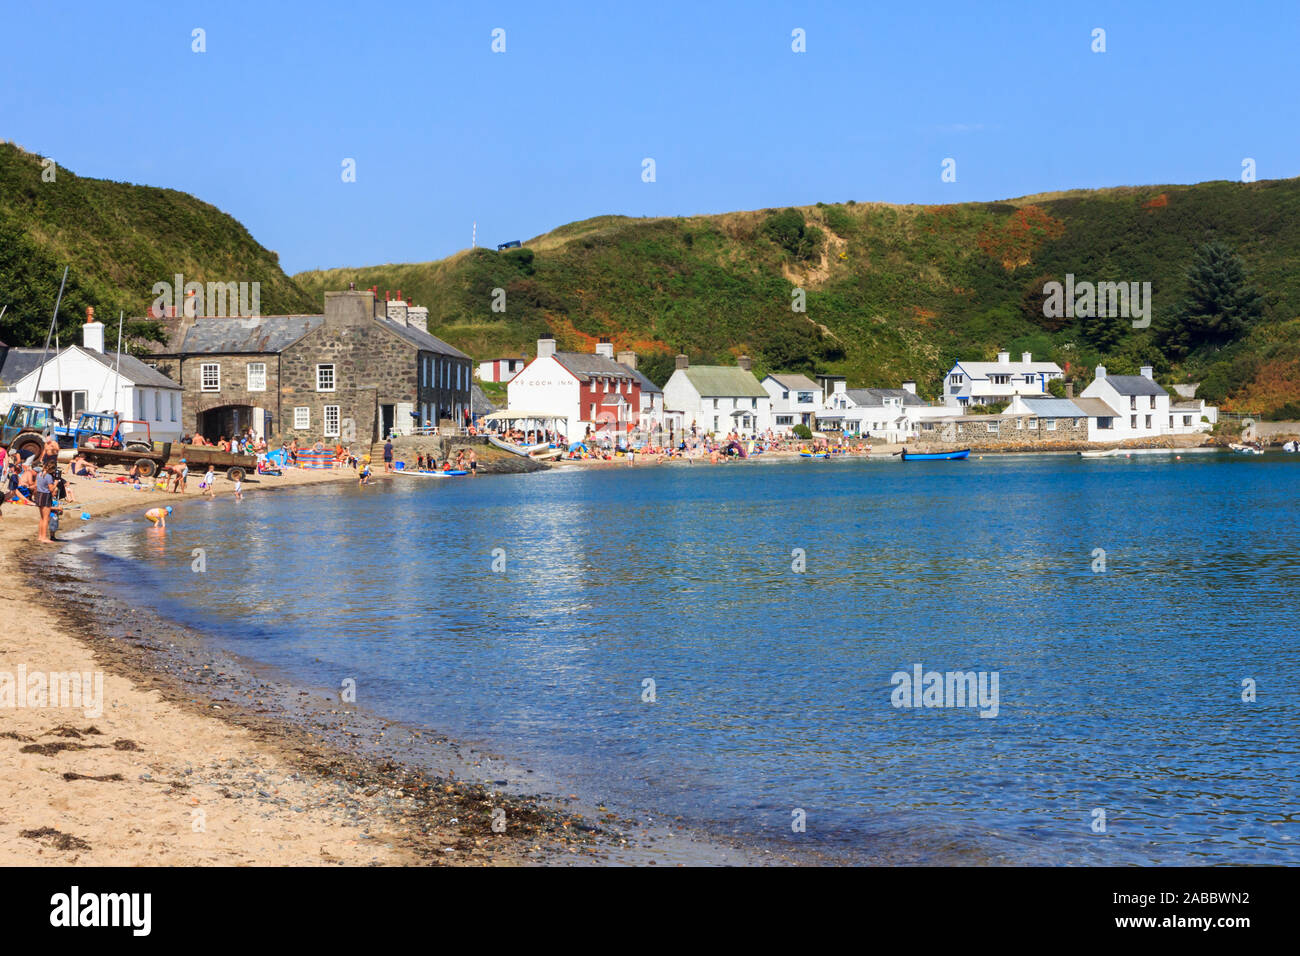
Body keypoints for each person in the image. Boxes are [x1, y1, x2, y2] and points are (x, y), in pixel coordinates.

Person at [34, 463, 57, 543]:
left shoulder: (39, 474)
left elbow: (36, 485)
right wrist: (56, 483)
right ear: (51, 469)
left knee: (42, 517)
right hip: (45, 496)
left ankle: (40, 536)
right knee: (46, 518)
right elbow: (51, 489)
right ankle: (44, 537)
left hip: (39, 495)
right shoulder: (49, 476)